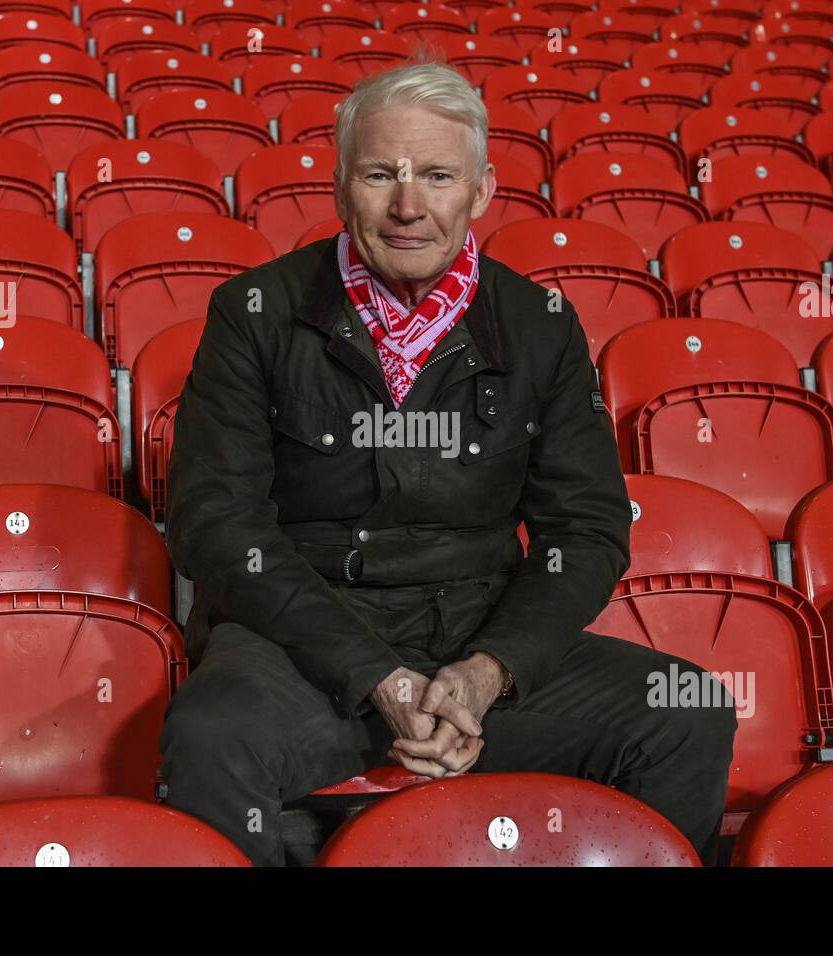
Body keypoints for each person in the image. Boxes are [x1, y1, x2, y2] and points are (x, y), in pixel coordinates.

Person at [160, 58, 737, 866]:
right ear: (338, 186)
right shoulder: (254, 313)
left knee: (690, 710)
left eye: (436, 176)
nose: (407, 206)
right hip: (305, 644)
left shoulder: (540, 323)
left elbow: (589, 528)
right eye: (379, 175)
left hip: (478, 642)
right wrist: (377, 677)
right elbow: (214, 526)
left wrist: (486, 674)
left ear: (481, 189)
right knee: (211, 736)